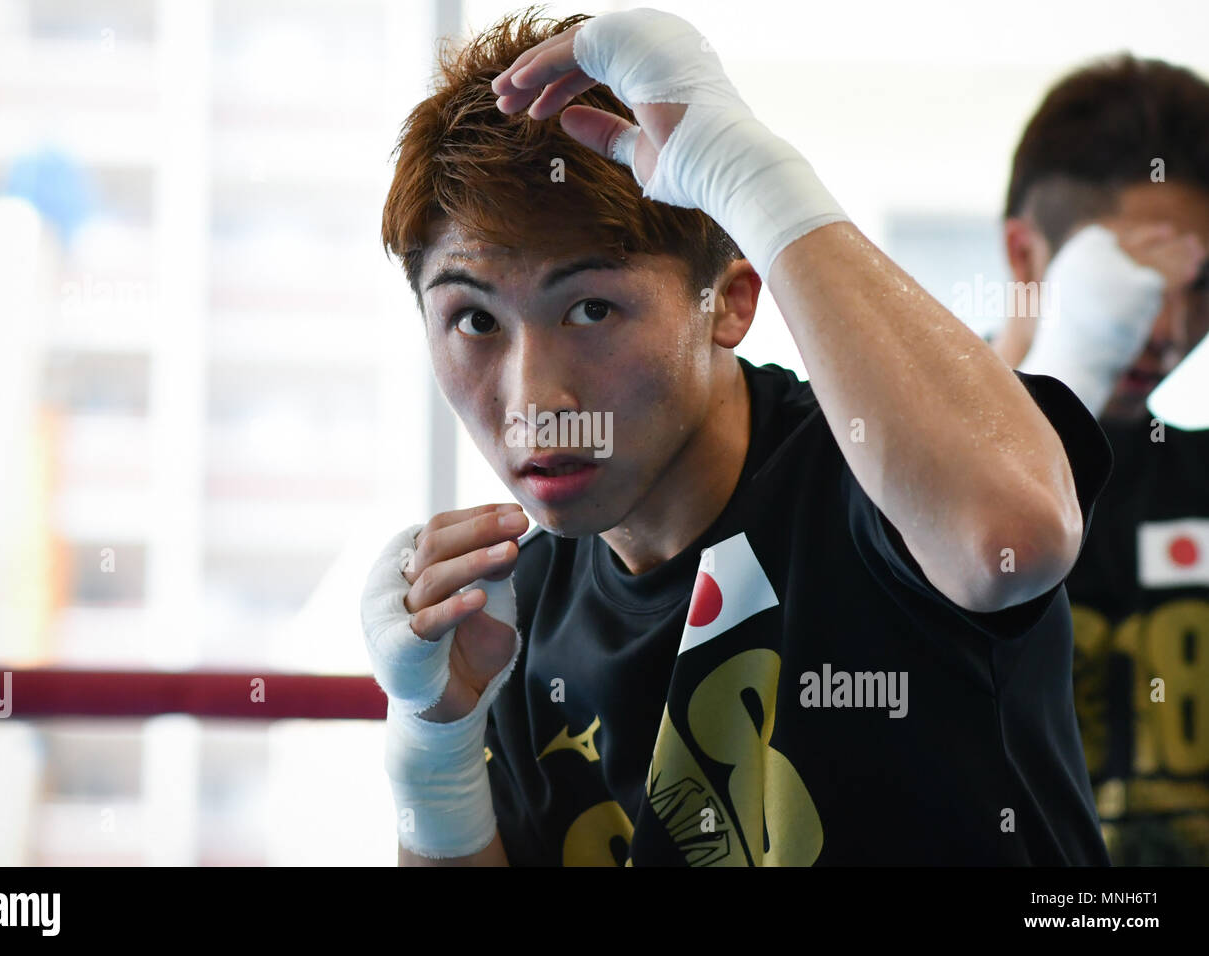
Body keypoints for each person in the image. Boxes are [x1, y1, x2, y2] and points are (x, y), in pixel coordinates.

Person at [364, 5, 1112, 866]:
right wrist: (433, 747)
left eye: (592, 308)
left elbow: (1009, 539)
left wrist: (757, 180)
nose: (536, 400)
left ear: (732, 302)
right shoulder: (507, 621)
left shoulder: (878, 480)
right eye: (474, 321)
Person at [992, 53, 1209, 865]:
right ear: (1025, 257)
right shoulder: (875, 471)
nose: (1172, 326)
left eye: (1201, 285)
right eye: (1137, 275)